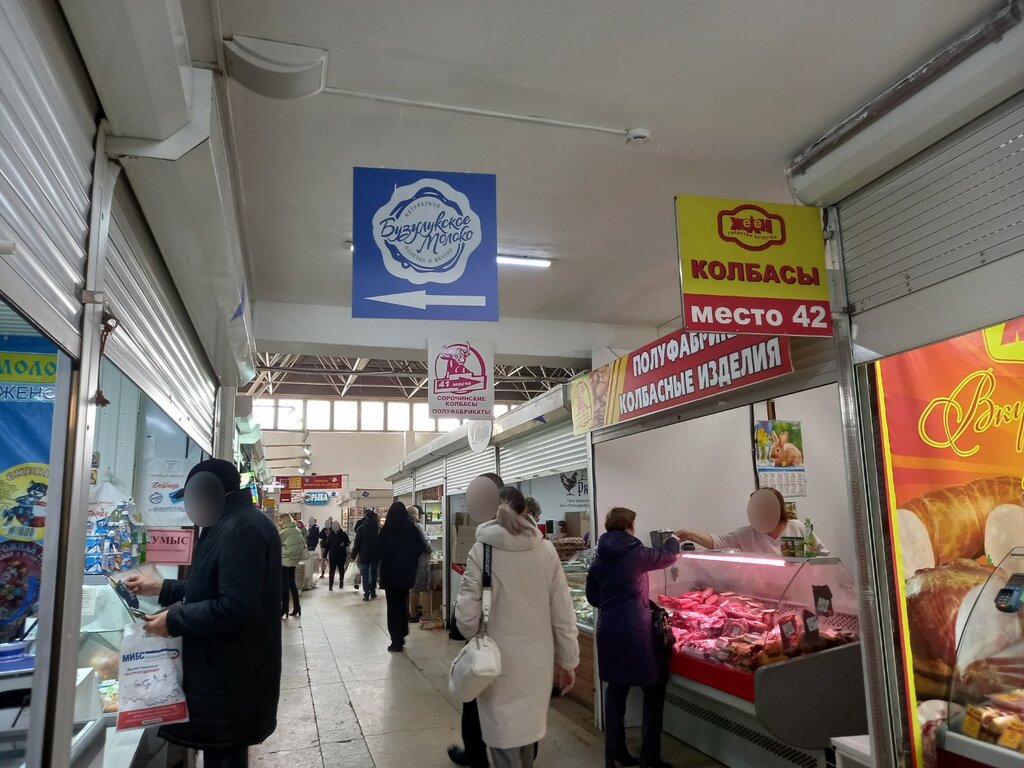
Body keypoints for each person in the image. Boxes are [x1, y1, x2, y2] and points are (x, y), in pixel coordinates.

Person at [124, 459, 281, 768]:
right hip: (227, 675)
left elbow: (236, 607)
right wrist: (160, 588)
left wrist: (173, 620)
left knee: (225, 759)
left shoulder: (240, 530)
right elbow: (211, 586)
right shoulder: (231, 523)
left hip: (230, 676)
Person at [455, 487, 579, 768]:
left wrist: (473, 633)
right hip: (538, 661)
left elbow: (465, 618)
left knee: (503, 741)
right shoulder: (546, 550)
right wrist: (568, 660)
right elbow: (563, 611)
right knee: (527, 736)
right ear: (526, 513)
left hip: (496, 662)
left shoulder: (482, 550)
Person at [587, 507, 680, 768]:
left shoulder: (597, 557)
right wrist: (673, 538)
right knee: (654, 688)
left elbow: (593, 598)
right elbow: (668, 556)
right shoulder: (636, 552)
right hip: (635, 632)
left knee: (615, 690)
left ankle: (614, 753)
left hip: (608, 630)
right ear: (629, 526)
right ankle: (650, 757)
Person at [448, 472, 505, 768]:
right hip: (530, 646)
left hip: (491, 639)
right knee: (520, 706)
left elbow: (469, 613)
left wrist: (468, 631)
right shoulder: (540, 544)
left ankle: (475, 755)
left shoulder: (483, 548)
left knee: (474, 699)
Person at [673, 487, 829, 556]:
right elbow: (719, 543)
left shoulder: (798, 528)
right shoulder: (747, 534)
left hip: (798, 594)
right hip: (765, 598)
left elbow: (824, 558)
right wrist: (690, 534)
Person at [375, 501, 429, 651]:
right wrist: (410, 559)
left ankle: (396, 641)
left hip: (390, 574)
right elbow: (421, 547)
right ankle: (403, 631)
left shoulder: (386, 530)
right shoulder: (411, 528)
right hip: (406, 573)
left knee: (392, 607)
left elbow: (378, 550)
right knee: (403, 602)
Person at [407, 504, 433, 623]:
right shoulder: (418, 526)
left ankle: (409, 612)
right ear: (415, 515)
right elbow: (426, 544)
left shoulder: (403, 526)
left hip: (407, 561)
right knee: (417, 589)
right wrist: (430, 549)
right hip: (420, 560)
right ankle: (416, 614)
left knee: (410, 588)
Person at [350, 508, 380, 601]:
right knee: (373, 574)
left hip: (364, 555)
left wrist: (353, 556)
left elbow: (357, 544)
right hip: (375, 555)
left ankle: (366, 593)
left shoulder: (361, 529)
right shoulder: (378, 529)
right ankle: (373, 592)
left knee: (365, 575)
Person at [279, 515, 306, 617]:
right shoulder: (297, 530)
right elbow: (303, 544)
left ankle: (284, 608)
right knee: (292, 583)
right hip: (294, 560)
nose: (279, 522)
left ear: (284, 521)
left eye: (280, 520)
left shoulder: (284, 532)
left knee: (284, 585)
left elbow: (276, 544)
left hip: (285, 560)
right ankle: (297, 607)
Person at [327, 519, 351, 592]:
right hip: (333, 555)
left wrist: (344, 544)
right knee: (332, 570)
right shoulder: (330, 535)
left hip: (341, 555)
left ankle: (341, 583)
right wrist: (325, 555)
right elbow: (328, 545)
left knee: (341, 569)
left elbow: (348, 542)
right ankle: (330, 585)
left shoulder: (343, 534)